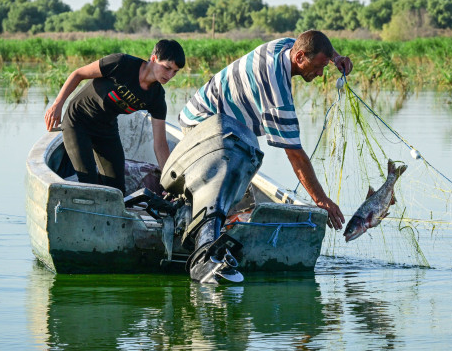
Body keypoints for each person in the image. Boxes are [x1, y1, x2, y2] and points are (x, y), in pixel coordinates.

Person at [176, 30, 352, 230]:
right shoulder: (276, 90)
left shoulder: (285, 45)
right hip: (202, 124)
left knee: (243, 181)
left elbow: (312, 41)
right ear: (300, 57)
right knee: (229, 197)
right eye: (319, 66)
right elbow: (296, 155)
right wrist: (321, 200)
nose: (320, 73)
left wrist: (336, 58)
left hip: (225, 125)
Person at [44, 39, 185, 194]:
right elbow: (78, 74)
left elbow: (160, 144)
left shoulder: (156, 97)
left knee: (117, 190)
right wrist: (57, 105)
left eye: (175, 71)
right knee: (88, 183)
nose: (170, 75)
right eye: (167, 68)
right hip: (78, 121)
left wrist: (167, 183)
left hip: (106, 129)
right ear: (153, 59)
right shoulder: (121, 63)